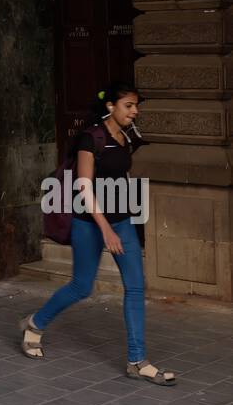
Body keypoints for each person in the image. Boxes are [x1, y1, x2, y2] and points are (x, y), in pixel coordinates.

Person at [20, 82, 176, 386]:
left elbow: (120, 175)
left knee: (135, 287)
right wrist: (104, 228)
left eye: (136, 106)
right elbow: (84, 186)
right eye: (129, 106)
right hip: (88, 222)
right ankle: (34, 324)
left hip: (122, 221)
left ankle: (137, 361)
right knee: (81, 286)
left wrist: (127, 212)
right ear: (111, 107)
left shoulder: (127, 136)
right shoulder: (90, 139)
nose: (135, 111)